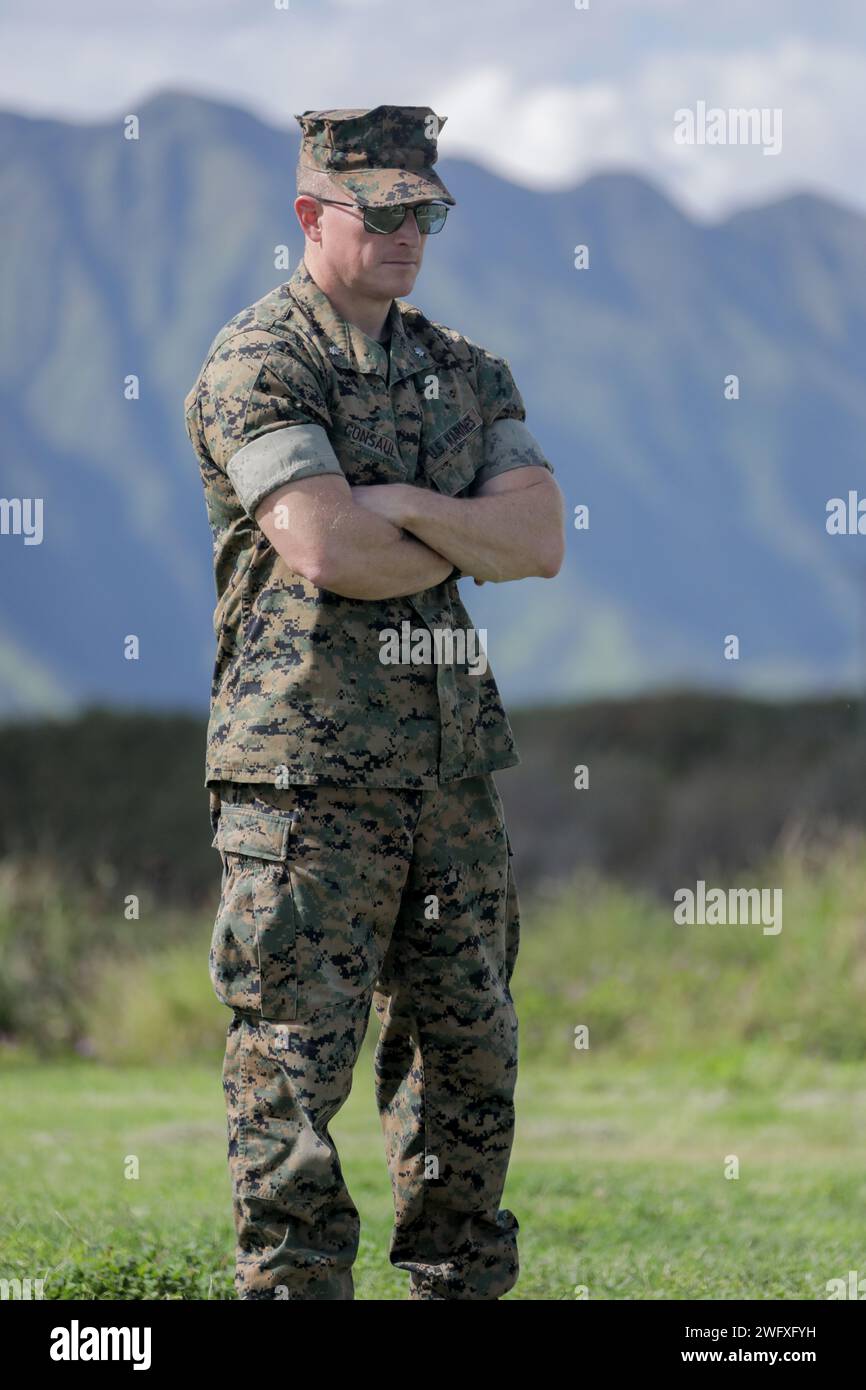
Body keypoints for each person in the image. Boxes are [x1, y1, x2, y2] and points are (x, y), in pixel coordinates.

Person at [183, 103, 564, 1301]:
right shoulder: (260, 361)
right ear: (311, 214)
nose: (410, 232)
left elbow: (541, 537)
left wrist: (401, 503)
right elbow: (330, 549)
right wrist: (457, 536)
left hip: (446, 767)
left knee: (467, 1046)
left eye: (427, 211)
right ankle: (294, 1288)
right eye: (384, 210)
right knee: (292, 1055)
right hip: (301, 772)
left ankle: (458, 1283)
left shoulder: (463, 368)